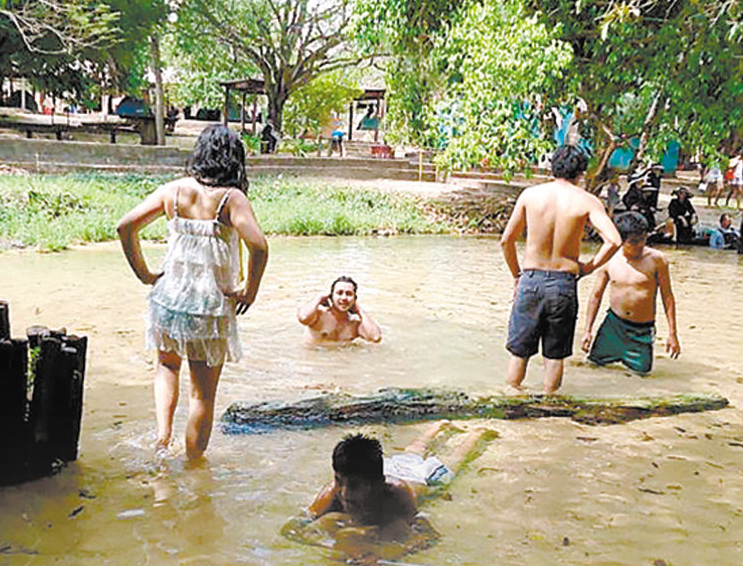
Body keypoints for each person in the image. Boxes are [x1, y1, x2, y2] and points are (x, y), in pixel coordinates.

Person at [117, 126, 269, 460]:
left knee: (167, 368)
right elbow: (258, 246)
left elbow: (126, 226)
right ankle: (193, 468)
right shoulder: (232, 198)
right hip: (209, 307)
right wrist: (250, 291)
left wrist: (145, 274)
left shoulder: (174, 190)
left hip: (168, 298)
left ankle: (161, 442)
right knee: (202, 396)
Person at [500, 145, 622, 392]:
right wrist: (588, 268)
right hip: (563, 283)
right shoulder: (587, 201)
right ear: (580, 173)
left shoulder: (530, 195)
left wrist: (516, 276)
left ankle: (510, 405)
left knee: (519, 353)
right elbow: (614, 241)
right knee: (554, 357)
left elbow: (506, 240)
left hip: (530, 280)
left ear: (552, 167)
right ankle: (549, 412)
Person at [306, 422, 496, 533]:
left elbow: (424, 534)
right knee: (412, 452)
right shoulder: (333, 492)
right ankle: (436, 428)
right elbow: (293, 530)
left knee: (453, 461)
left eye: (355, 486)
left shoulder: (398, 493)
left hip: (422, 477)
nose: (345, 493)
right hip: (389, 467)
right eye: (339, 482)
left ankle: (476, 434)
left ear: (378, 485)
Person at [581, 211, 680, 376]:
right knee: (593, 368)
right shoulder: (609, 260)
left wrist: (672, 333)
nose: (640, 245)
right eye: (633, 242)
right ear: (621, 241)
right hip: (613, 326)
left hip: (641, 331)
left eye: (643, 239)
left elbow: (667, 297)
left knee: (641, 376)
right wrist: (587, 330)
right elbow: (595, 296)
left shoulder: (657, 260)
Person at [297, 276, 382, 344]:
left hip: (342, 364)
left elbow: (375, 338)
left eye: (349, 294)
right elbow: (303, 318)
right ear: (331, 296)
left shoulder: (354, 324)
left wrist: (360, 310)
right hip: (313, 363)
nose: (344, 298)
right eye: (339, 293)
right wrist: (319, 298)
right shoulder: (319, 315)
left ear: (354, 299)